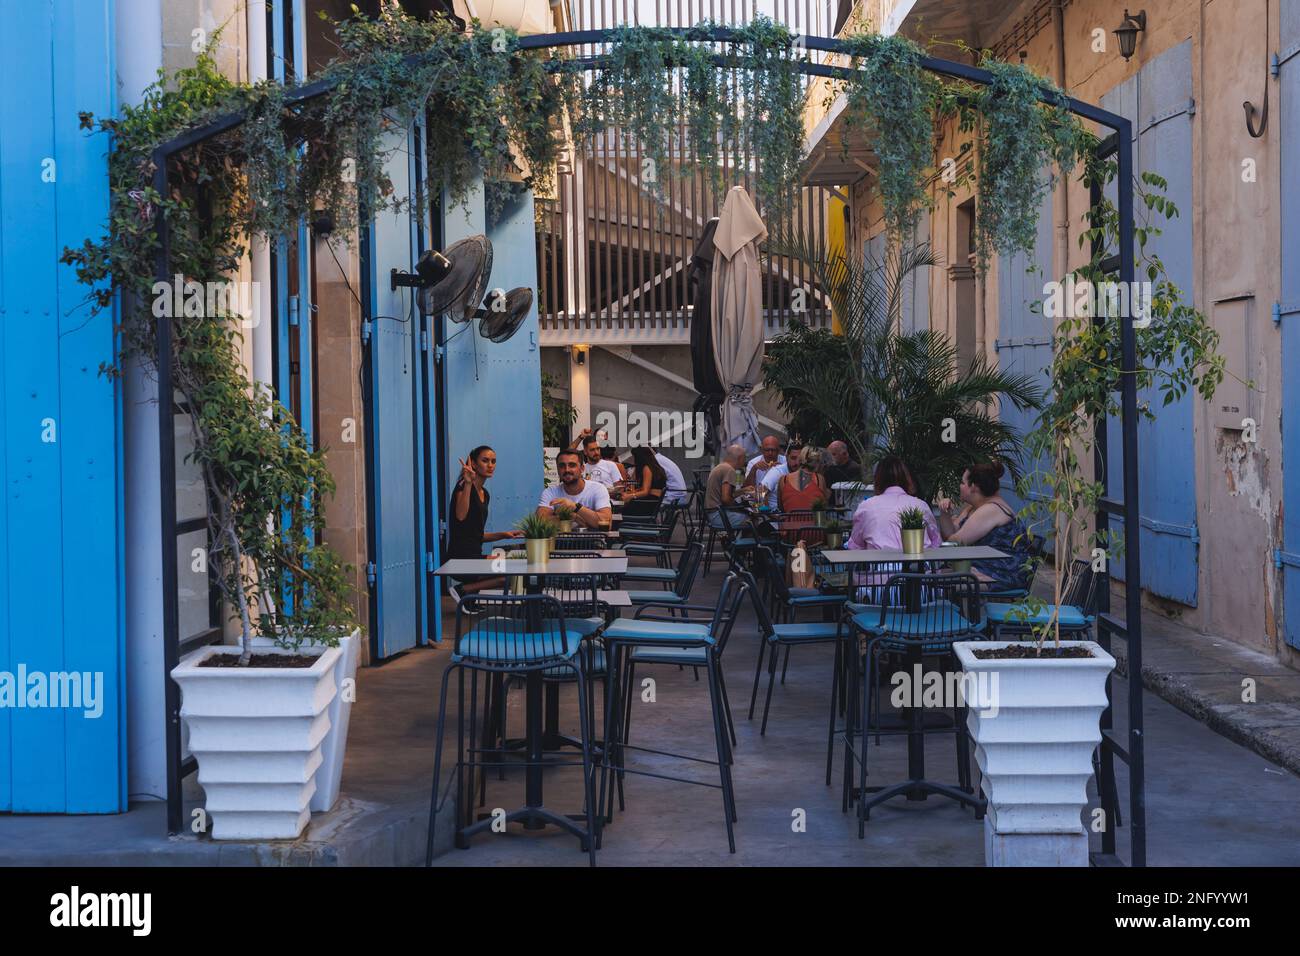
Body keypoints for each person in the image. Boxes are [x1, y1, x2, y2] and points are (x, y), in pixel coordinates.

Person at [937, 462, 1037, 591]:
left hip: (1003, 572)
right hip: (984, 566)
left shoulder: (990, 510)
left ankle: (967, 611)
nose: (959, 486)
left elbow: (954, 543)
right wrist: (945, 512)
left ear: (973, 487)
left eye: (962, 483)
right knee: (935, 576)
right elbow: (949, 535)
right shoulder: (972, 508)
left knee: (939, 579)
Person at [446, 445, 524, 593]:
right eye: (485, 460)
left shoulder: (485, 494)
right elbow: (460, 516)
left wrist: (503, 535)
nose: (490, 465)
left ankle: (467, 594)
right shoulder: (463, 487)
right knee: (511, 569)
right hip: (461, 558)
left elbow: (476, 536)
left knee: (511, 572)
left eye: (493, 461)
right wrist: (468, 482)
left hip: (475, 555)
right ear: (474, 464)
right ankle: (463, 590)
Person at [846, 455, 942, 550]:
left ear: (877, 480)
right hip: (918, 563)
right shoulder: (921, 505)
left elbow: (855, 546)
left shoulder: (866, 507)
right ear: (907, 478)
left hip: (879, 563)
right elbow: (936, 541)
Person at [538, 448, 613, 529]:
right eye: (562, 466)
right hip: (559, 541)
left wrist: (575, 507)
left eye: (572, 465)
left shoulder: (598, 489)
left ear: (582, 468)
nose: (567, 470)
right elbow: (540, 521)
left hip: (594, 540)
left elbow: (607, 523)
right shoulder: (550, 492)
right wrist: (571, 517)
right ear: (558, 469)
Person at [777, 445, 830, 539]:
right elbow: (824, 507)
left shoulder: (783, 480)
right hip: (815, 534)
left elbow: (781, 507)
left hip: (791, 535)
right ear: (818, 463)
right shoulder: (819, 479)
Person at [705, 444, 749, 528]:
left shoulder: (721, 467)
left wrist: (743, 491)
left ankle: (734, 539)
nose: (744, 462)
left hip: (712, 513)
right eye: (744, 458)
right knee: (753, 520)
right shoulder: (729, 470)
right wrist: (739, 507)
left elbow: (726, 494)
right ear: (740, 458)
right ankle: (736, 541)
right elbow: (725, 499)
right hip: (718, 515)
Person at [622, 446, 668, 519]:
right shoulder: (653, 466)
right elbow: (646, 488)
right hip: (653, 502)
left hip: (648, 503)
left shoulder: (647, 468)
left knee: (621, 511)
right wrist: (631, 493)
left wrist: (630, 496)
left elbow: (645, 491)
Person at [759, 444, 800, 510]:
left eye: (800, 459)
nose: (797, 463)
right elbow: (761, 493)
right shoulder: (777, 472)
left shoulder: (805, 472)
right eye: (793, 458)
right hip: (776, 516)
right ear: (786, 457)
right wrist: (769, 514)